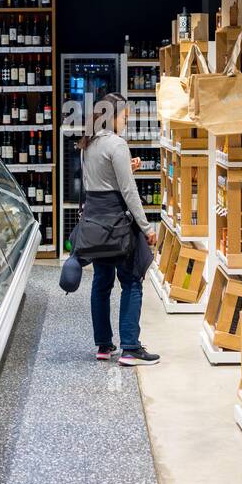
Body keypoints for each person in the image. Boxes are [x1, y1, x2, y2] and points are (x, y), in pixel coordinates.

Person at [79, 92, 159, 366]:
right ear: (113, 116)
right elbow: (127, 190)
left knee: (101, 283)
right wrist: (146, 227)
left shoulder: (87, 142)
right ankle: (130, 348)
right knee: (131, 281)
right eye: (125, 115)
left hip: (95, 224)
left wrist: (129, 168)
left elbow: (100, 182)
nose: (127, 120)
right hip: (119, 225)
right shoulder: (117, 144)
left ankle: (103, 345)